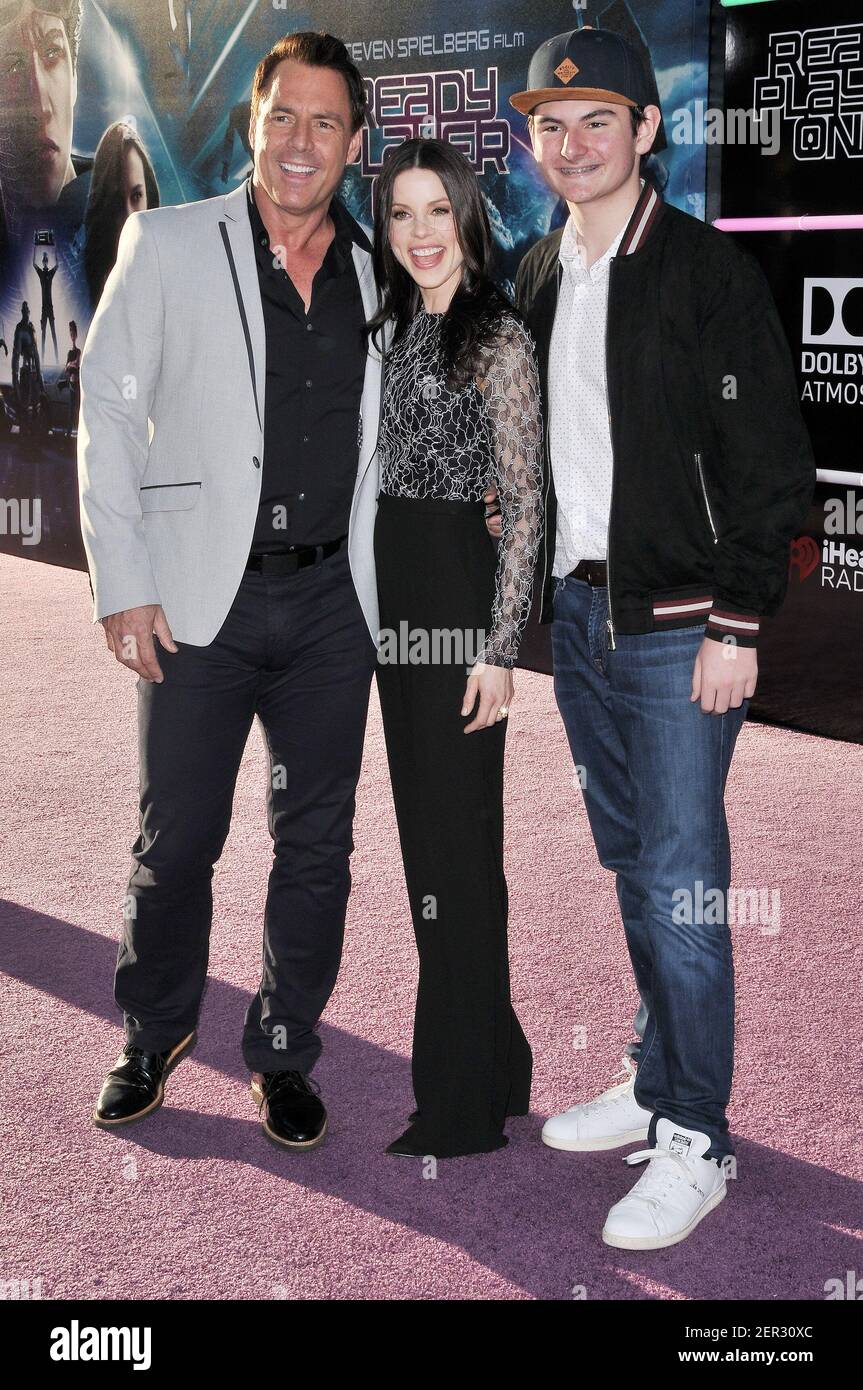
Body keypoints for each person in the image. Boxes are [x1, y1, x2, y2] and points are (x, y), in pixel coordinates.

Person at [491, 25, 814, 1247]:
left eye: (594, 120)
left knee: (683, 887)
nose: (569, 143)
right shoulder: (531, 273)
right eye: (549, 124)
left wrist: (737, 621)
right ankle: (652, 1072)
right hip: (579, 619)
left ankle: (695, 1135)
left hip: (683, 632)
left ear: (645, 131)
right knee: (633, 865)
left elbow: (775, 472)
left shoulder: (703, 271)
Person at [79, 32, 384, 1151]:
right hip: (196, 601)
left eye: (325, 122)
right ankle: (152, 1031)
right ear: (252, 125)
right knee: (179, 836)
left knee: (316, 842)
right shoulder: (165, 243)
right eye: (282, 118)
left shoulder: (373, 269)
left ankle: (284, 1048)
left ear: (354, 140)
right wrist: (123, 580)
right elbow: (108, 410)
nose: (301, 143)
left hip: (326, 615)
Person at [367, 138, 542, 1158]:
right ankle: (499, 1058)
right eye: (401, 214)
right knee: (449, 840)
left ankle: (459, 1100)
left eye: (438, 211)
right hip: (391, 593)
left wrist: (497, 646)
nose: (420, 233)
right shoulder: (385, 328)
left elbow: (522, 505)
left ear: (468, 219)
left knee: (451, 843)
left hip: (456, 604)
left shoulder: (498, 339)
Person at [0, 2, 89, 248]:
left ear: (74, 77)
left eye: (52, 53)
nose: (40, 107)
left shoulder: (126, 208)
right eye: (12, 67)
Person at [83, 121, 161, 310]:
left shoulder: (167, 269)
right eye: (117, 201)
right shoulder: (83, 287)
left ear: (148, 196)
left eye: (136, 196)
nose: (129, 218)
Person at [33, 246, 58, 362]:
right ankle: (41, 360)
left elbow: (57, 265)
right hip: (44, 309)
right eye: (44, 260)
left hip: (50, 308)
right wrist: (34, 247)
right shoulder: (41, 274)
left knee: (53, 334)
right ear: (43, 262)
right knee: (43, 335)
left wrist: (55, 248)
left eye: (46, 260)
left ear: (47, 261)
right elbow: (34, 264)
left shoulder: (50, 273)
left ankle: (57, 359)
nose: (45, 262)